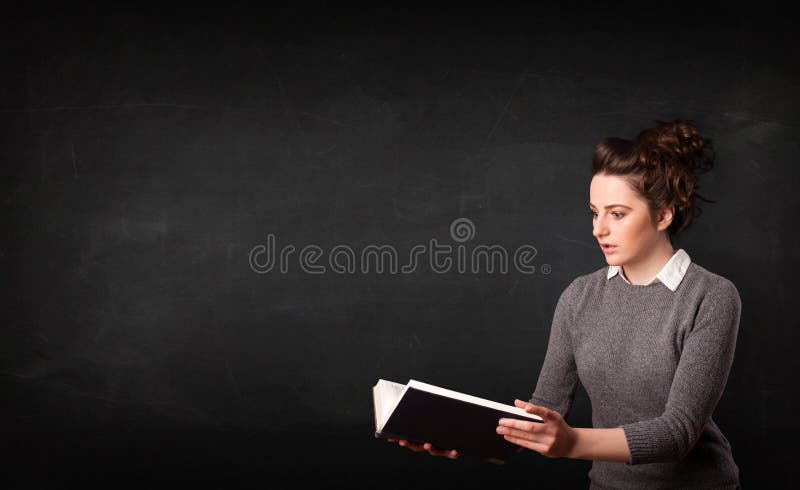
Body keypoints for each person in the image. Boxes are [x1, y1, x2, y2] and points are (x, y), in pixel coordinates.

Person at [386, 119, 742, 489]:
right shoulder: (579, 296)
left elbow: (678, 433)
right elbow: (546, 411)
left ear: (663, 214)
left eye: (617, 214)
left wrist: (572, 442)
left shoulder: (711, 296)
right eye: (594, 212)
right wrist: (458, 434)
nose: (598, 229)